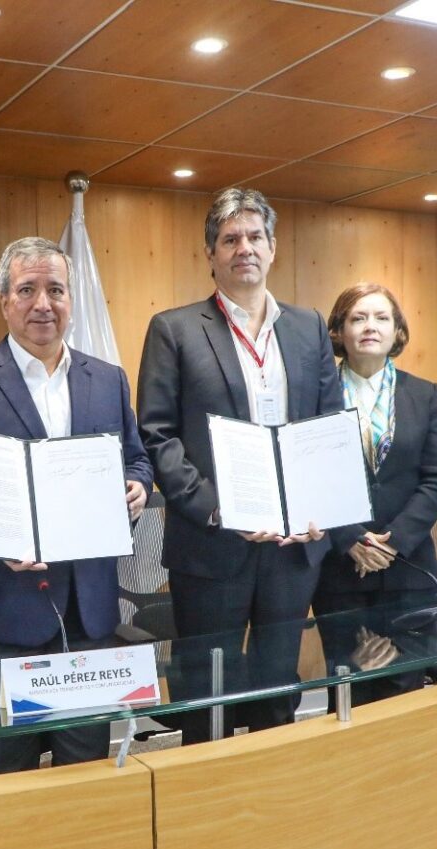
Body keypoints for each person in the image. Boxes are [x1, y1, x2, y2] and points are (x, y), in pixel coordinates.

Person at [0, 236, 153, 775]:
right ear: (5, 301)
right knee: (5, 769)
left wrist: (138, 486)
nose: (42, 304)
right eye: (27, 290)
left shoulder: (108, 379)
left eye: (55, 290)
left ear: (71, 299)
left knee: (86, 766)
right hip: (0, 609)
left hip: (90, 612)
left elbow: (137, 459)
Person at [137, 188, 344, 741]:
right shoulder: (174, 329)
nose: (243, 248)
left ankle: (271, 811)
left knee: (279, 689)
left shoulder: (307, 327)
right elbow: (157, 436)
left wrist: (319, 506)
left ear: (273, 248)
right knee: (208, 696)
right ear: (211, 254)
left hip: (293, 545)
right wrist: (216, 509)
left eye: (255, 237)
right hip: (212, 543)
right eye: (230, 239)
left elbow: (327, 429)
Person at [313, 283, 437, 705]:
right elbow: (309, 477)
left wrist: (393, 542)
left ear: (397, 332)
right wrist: (350, 537)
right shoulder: (315, 397)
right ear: (338, 331)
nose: (369, 326)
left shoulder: (424, 394)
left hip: (409, 567)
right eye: (357, 318)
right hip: (340, 570)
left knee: (404, 691)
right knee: (351, 686)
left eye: (381, 318)